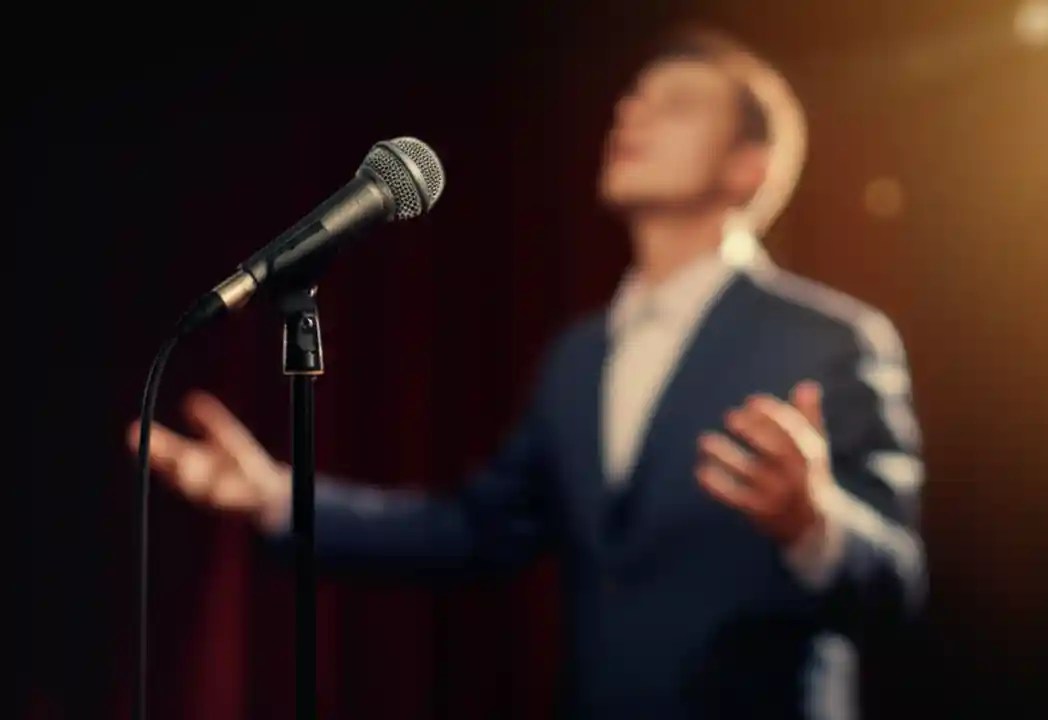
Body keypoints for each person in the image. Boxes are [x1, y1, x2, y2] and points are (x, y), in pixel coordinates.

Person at [130, 28, 926, 720]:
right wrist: (279, 495)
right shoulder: (578, 356)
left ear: (749, 169)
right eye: (629, 101)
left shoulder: (834, 339)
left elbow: (899, 583)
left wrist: (814, 521)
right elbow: (473, 531)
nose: (630, 113)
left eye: (674, 104)